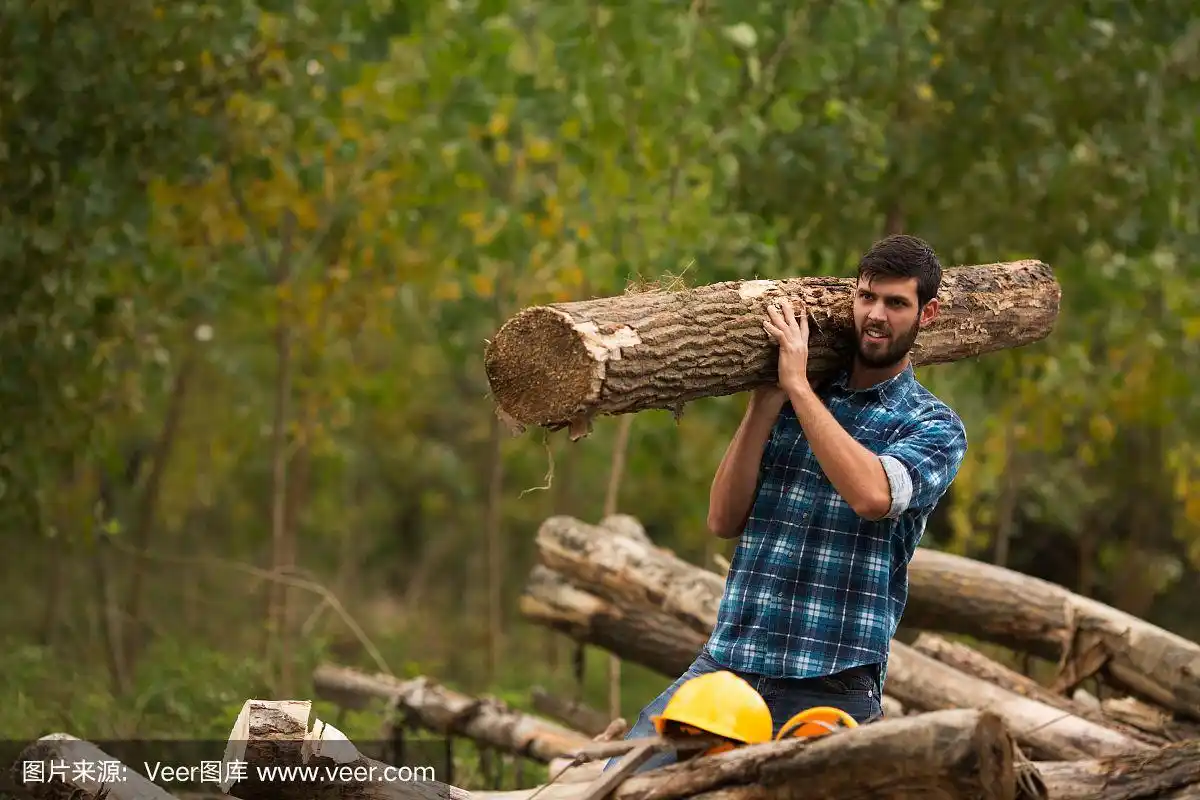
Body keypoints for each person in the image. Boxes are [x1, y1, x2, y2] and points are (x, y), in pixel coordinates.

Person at [609, 234, 968, 773]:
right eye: (867, 296)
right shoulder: (795, 394)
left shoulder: (933, 425)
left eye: (896, 304)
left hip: (831, 683)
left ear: (928, 314)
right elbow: (723, 519)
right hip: (730, 663)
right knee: (621, 783)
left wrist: (798, 389)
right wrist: (764, 405)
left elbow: (874, 495)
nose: (876, 315)